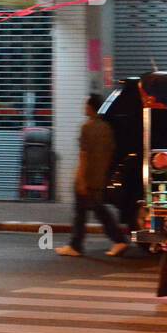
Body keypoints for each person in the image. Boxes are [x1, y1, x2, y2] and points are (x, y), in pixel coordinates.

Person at [56, 93, 129, 258]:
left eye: (85, 105)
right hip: (99, 177)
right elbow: (110, 153)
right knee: (95, 210)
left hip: (87, 177)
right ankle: (113, 240)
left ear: (90, 108)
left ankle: (79, 245)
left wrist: (80, 179)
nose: (84, 108)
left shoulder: (87, 127)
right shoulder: (107, 128)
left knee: (85, 213)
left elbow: (84, 155)